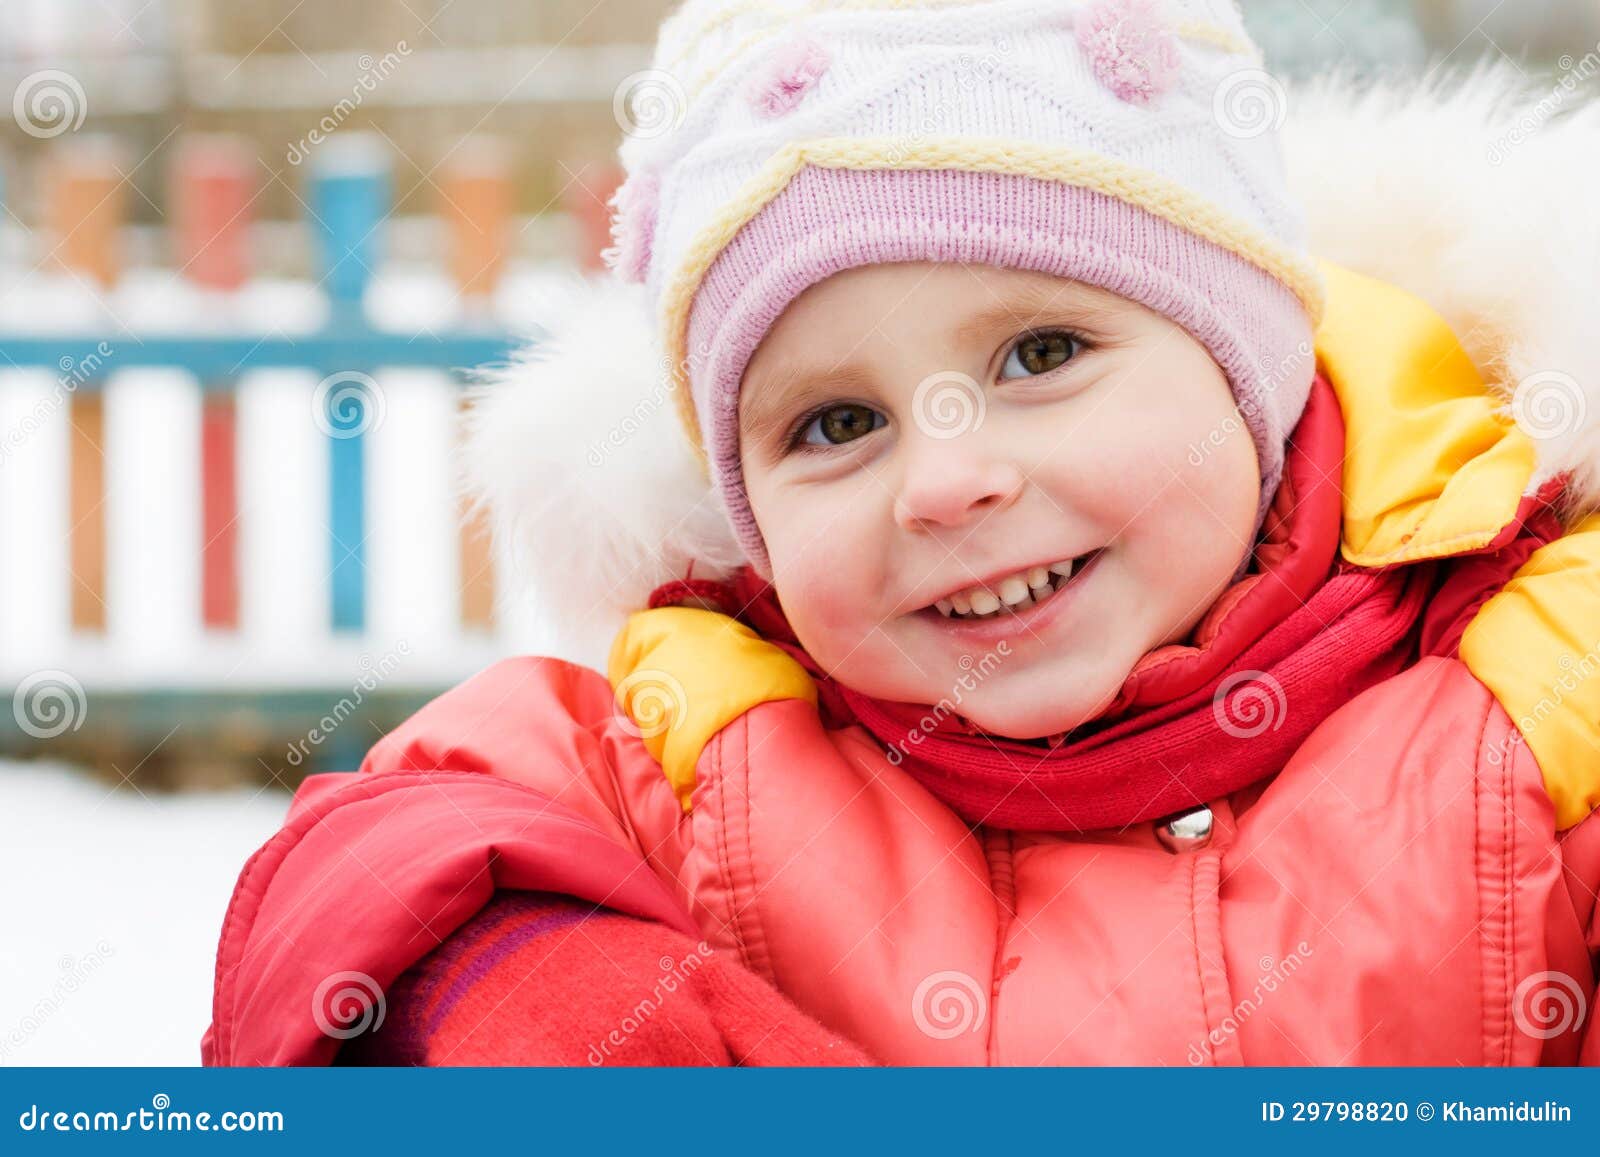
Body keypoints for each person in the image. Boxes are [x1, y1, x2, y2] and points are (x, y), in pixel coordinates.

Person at [204, 0, 1600, 1065]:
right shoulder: (706, 746)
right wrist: (538, 1003)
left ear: (1259, 369)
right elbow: (384, 869)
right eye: (833, 426)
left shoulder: (1546, 693)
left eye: (1041, 350)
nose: (945, 482)